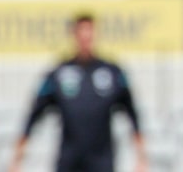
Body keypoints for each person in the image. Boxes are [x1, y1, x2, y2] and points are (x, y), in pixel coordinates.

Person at [10, 13, 147, 172]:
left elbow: (133, 115)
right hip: (69, 158)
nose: (85, 39)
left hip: (102, 159)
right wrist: (17, 160)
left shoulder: (112, 72)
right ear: (74, 35)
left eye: (89, 33)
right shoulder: (59, 73)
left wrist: (141, 159)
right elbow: (34, 115)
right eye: (81, 33)